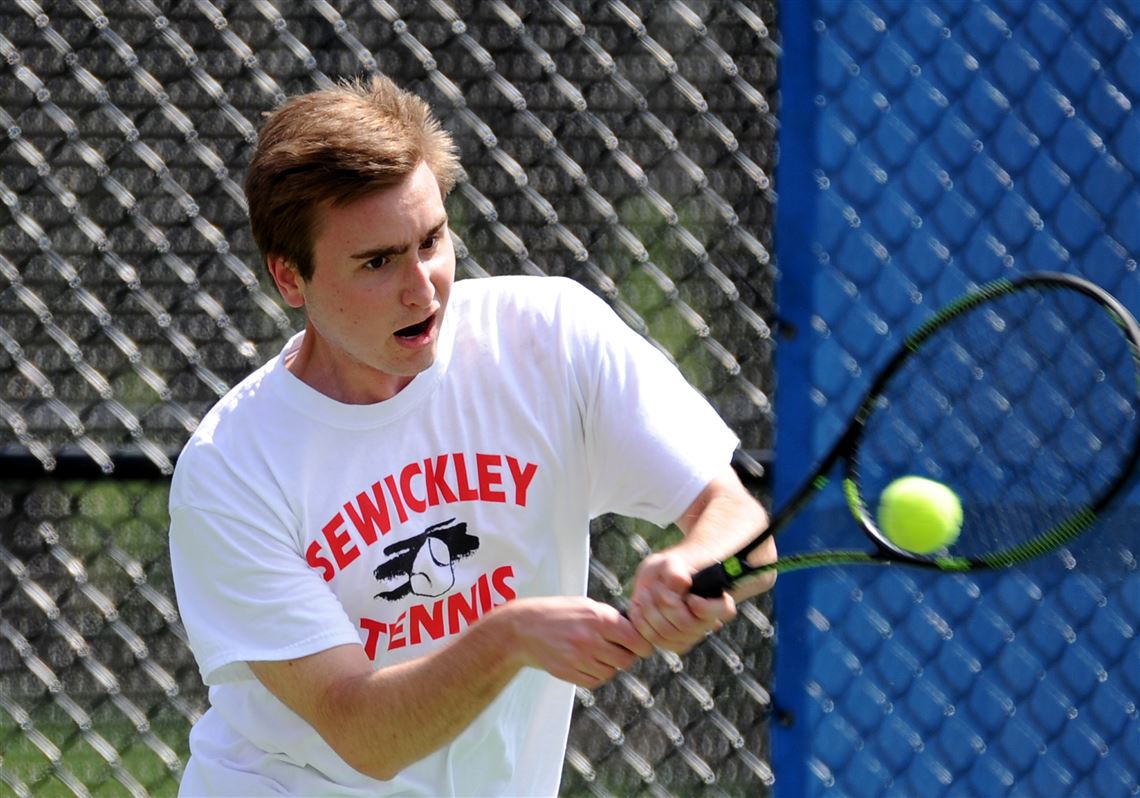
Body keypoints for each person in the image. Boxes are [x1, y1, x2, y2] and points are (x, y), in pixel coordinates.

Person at [168, 74, 776, 797]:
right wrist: (508, 637)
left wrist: (699, 566)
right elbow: (364, 733)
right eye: (377, 262)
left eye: (431, 241)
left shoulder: (550, 337)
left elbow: (739, 522)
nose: (422, 288)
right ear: (289, 279)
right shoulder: (229, 468)